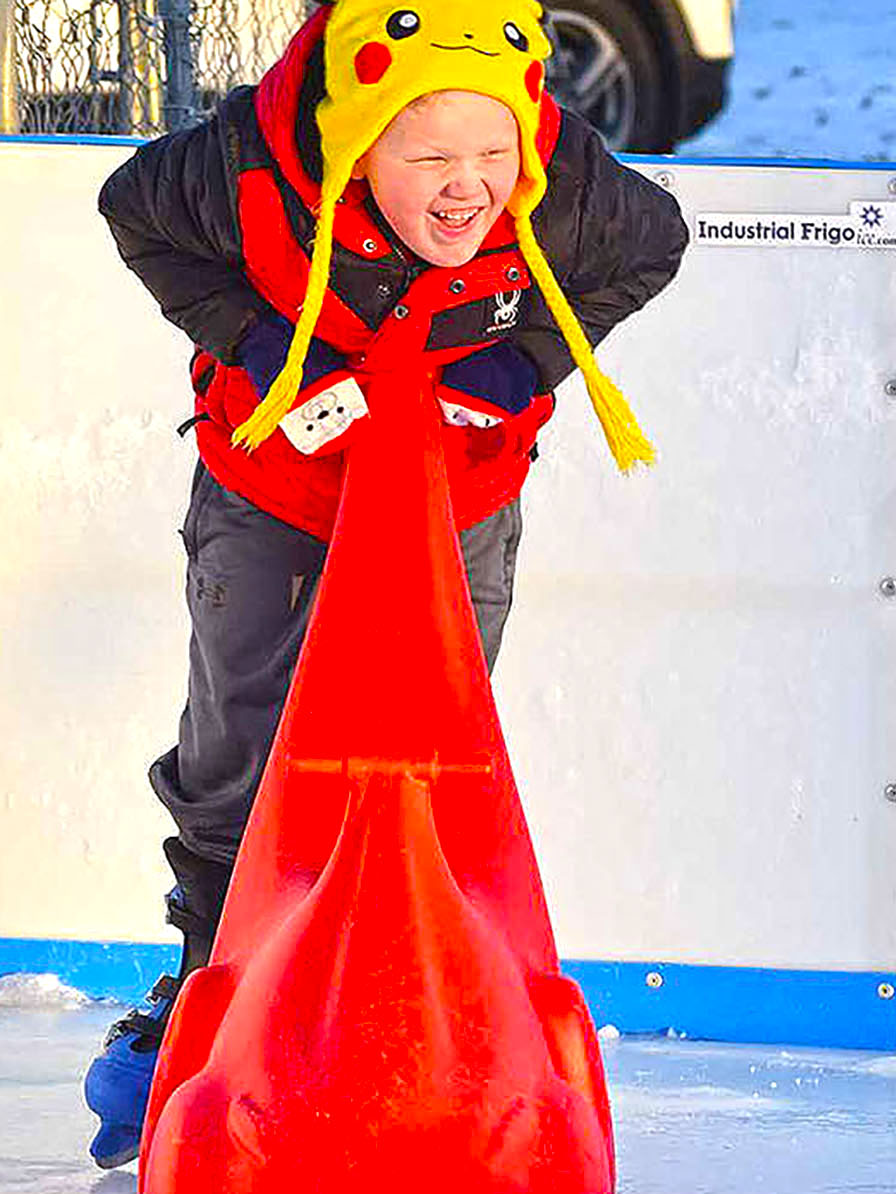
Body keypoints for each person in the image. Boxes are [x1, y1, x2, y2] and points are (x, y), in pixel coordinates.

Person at [86, 0, 689, 1167]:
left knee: (432, 750)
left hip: (451, 500)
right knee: (243, 757)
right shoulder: (243, 168)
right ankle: (210, 981)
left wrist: (524, 364)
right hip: (275, 492)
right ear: (356, 148)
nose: (471, 191)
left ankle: (441, 1007)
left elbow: (649, 246)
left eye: (493, 157)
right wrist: (267, 349)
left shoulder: (564, 182)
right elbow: (136, 214)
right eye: (431, 162)